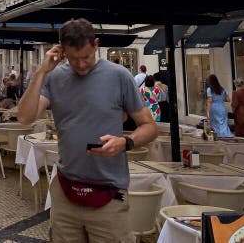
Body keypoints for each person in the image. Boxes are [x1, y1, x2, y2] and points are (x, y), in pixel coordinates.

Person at [17, 18, 157, 242]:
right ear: (62, 52)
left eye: (87, 57)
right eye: (74, 59)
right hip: (65, 191)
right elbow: (25, 117)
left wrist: (125, 142)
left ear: (96, 45)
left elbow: (150, 127)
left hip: (110, 192)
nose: (81, 65)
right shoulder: (54, 78)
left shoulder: (119, 76)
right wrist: (42, 71)